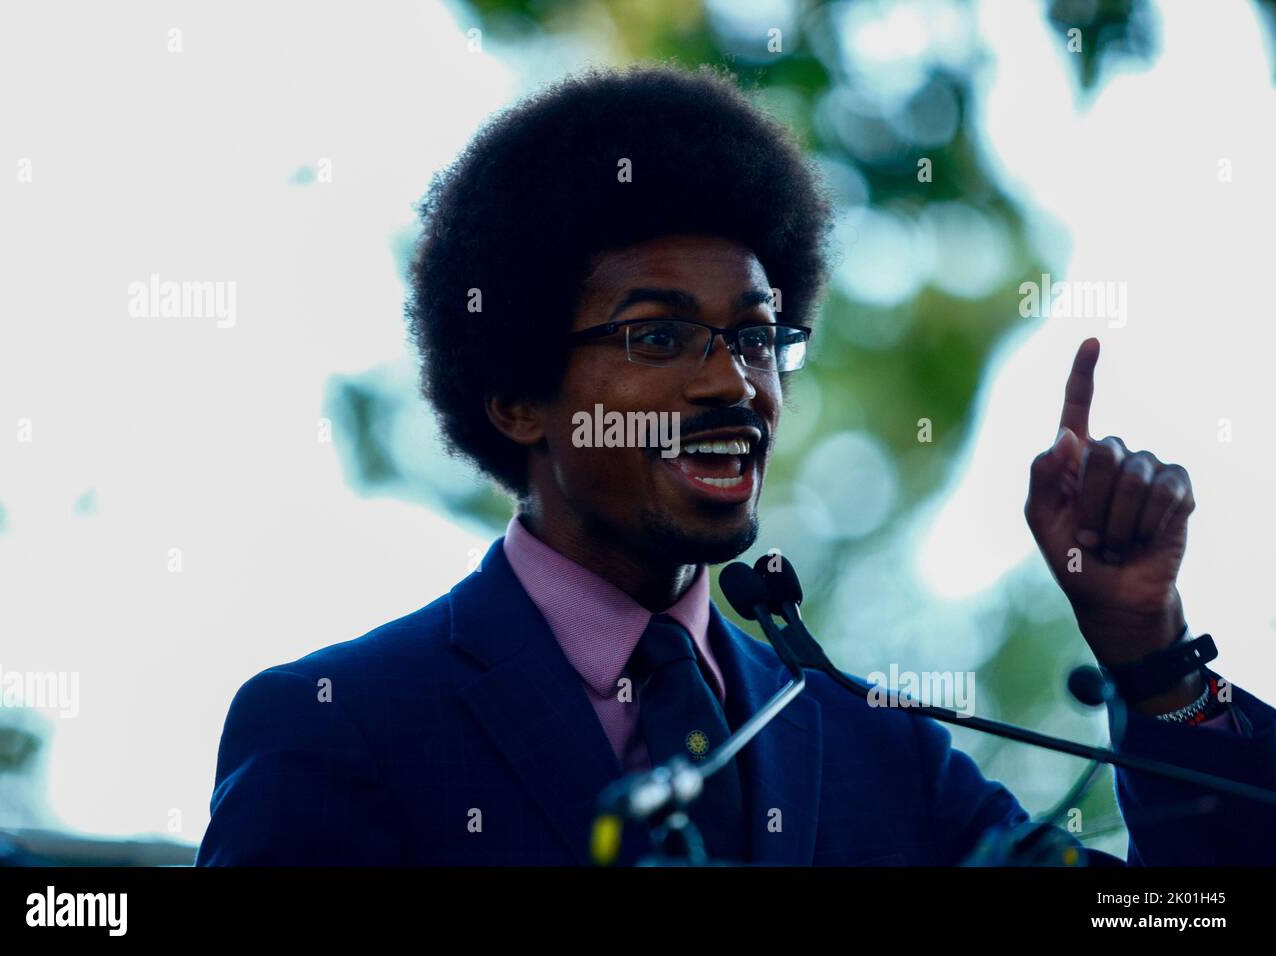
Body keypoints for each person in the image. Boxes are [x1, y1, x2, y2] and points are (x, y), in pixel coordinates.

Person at [197, 64, 1276, 866]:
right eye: (660, 336)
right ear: (517, 395)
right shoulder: (343, 725)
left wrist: (1153, 656)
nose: (734, 384)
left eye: (756, 336)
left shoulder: (873, 752)